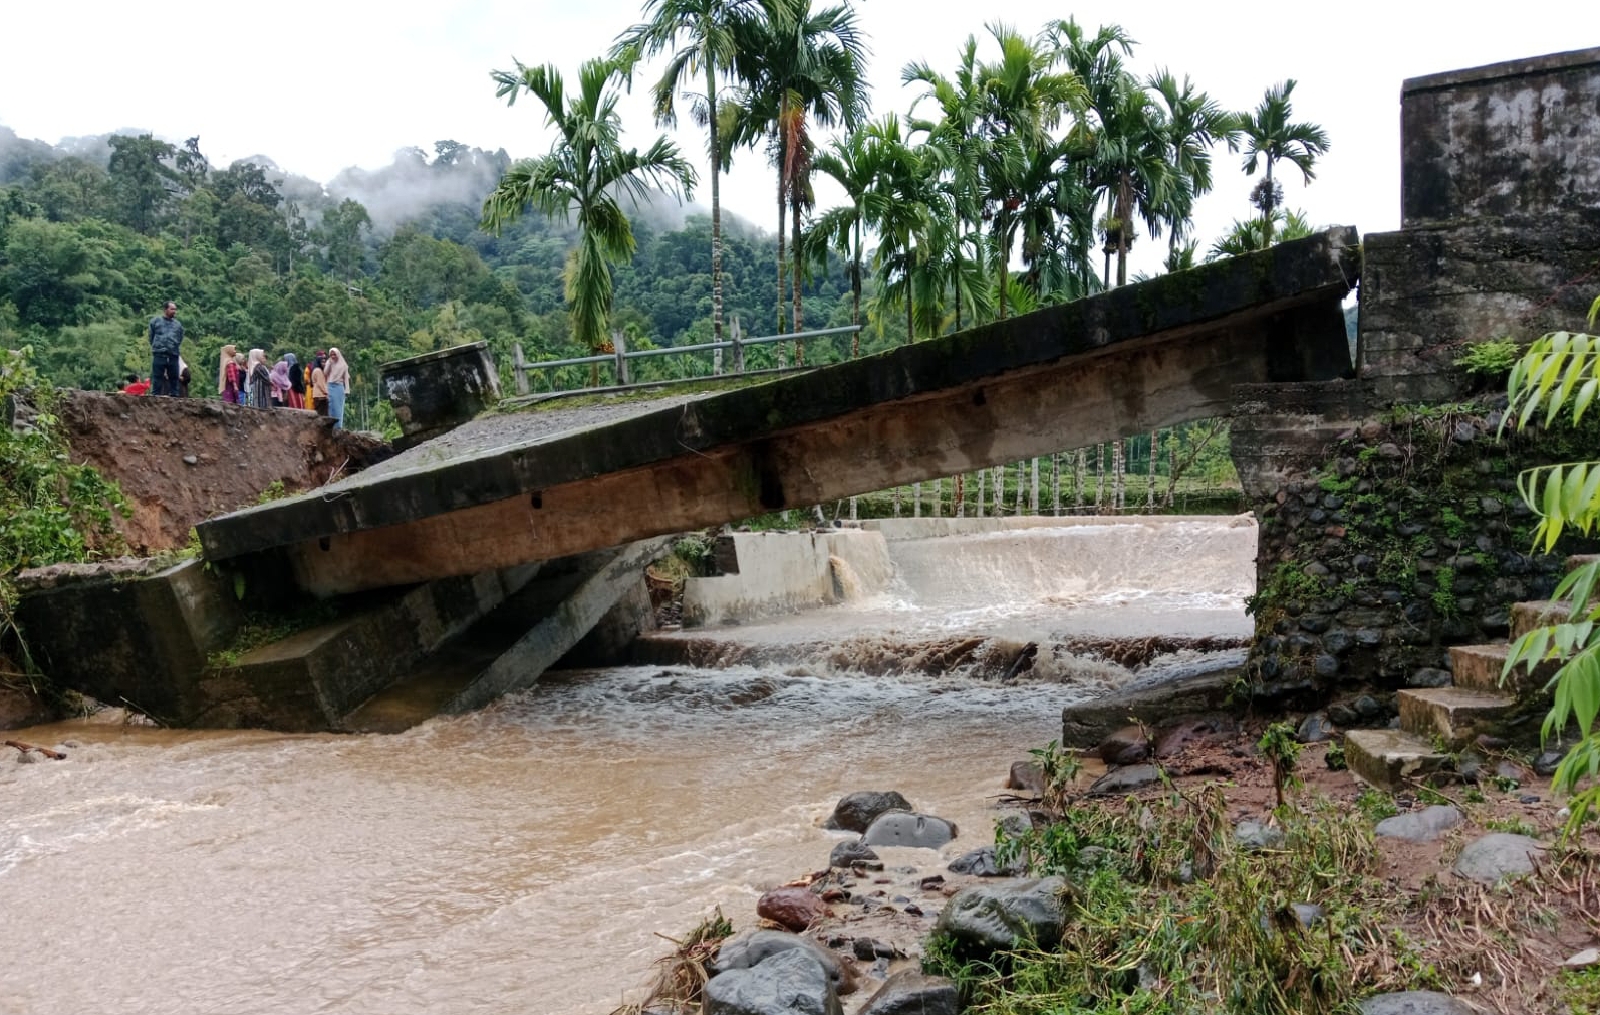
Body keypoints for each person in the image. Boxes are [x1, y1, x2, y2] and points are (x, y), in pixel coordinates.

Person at [147, 301, 184, 397]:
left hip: (173, 354)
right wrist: (157, 346)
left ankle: (174, 396)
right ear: (165, 310)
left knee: (174, 377)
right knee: (157, 377)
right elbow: (151, 337)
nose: (174, 311)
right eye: (172, 309)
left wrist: (173, 346)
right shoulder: (155, 321)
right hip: (159, 353)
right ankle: (155, 397)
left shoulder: (178, 325)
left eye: (175, 309)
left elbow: (180, 338)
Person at [324, 347, 350, 429]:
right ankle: (330, 426)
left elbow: (346, 378)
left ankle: (338, 426)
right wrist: (329, 364)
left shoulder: (343, 365)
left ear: (338, 354)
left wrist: (347, 390)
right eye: (331, 354)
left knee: (338, 407)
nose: (333, 356)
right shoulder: (329, 362)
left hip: (339, 387)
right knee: (331, 406)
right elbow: (325, 373)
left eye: (334, 354)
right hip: (330, 386)